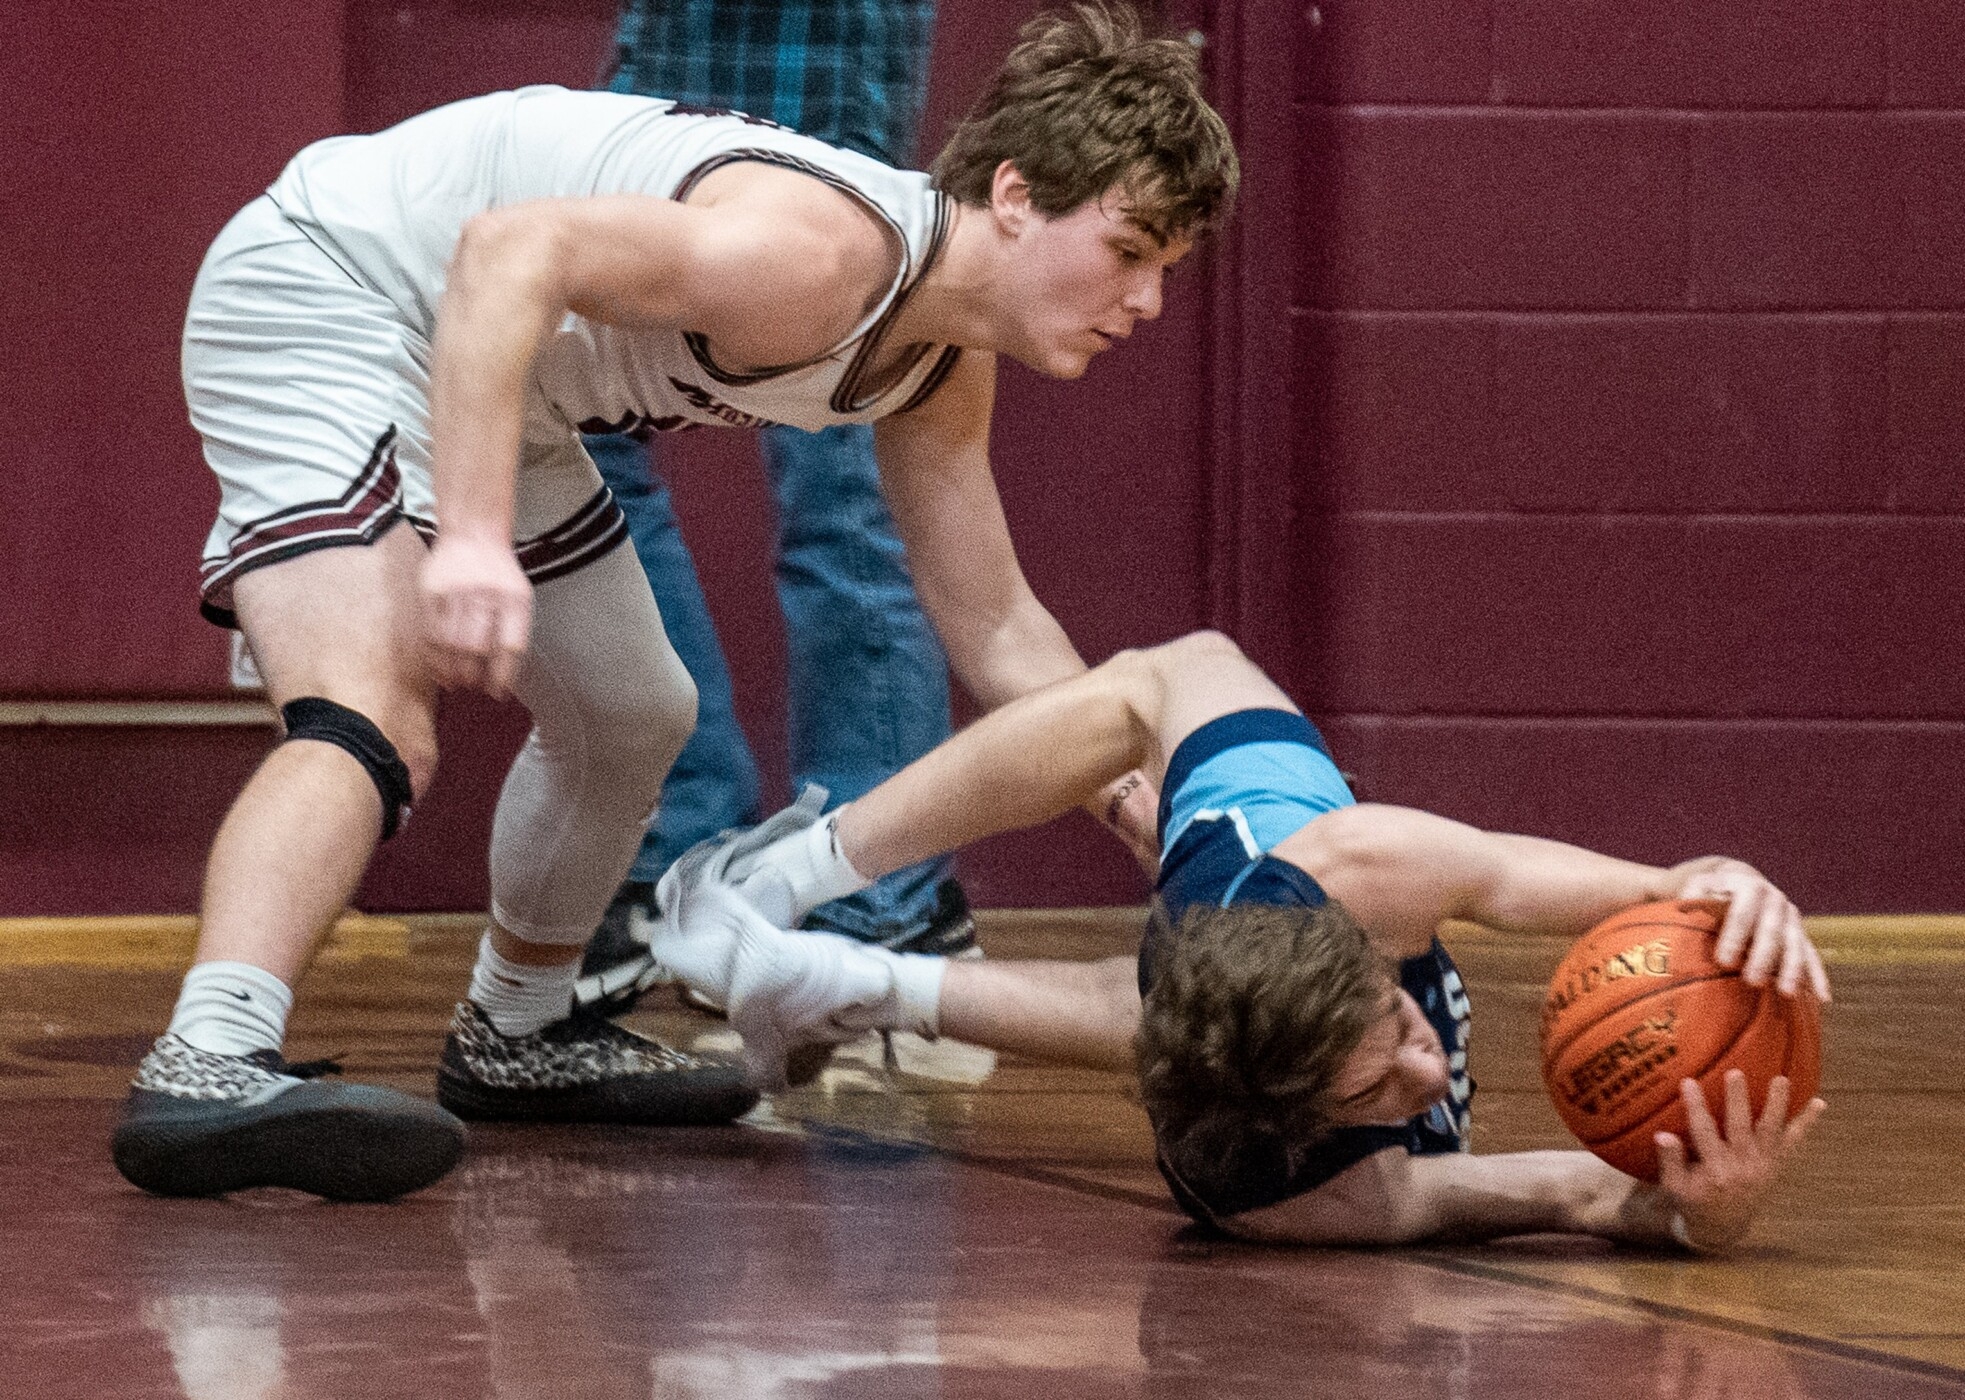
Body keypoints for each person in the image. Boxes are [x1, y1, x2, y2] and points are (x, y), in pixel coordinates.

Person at [111, 2, 1233, 1201]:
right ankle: (208, 1053)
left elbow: (995, 622)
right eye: (1129, 251)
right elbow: (508, 253)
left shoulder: (939, 360)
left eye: (1167, 268)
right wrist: (477, 538)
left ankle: (520, 1029)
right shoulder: (824, 253)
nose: (1148, 301)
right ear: (1016, 195)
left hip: (505, 367)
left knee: (634, 710)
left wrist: (1125, 790)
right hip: (336, 292)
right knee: (372, 714)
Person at [652, 630, 1832, 1252]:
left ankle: (802, 906)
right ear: (1300, 1118)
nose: (1429, 1070)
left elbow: (1515, 874)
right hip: (1211, 1026)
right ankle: (836, 977)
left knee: (1178, 672)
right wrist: (1709, 1210)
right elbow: (1585, 1197)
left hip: (1253, 887)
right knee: (1151, 972)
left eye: (1401, 1025)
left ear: (1372, 957)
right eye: (1380, 1083)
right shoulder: (1292, 1191)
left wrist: (1697, 882)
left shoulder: (1352, 871)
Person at [574, 0, 974, 1022]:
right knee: (572, 425)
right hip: (670, 70)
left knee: (840, 480)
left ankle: (877, 892)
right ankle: (700, 860)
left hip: (815, 71)